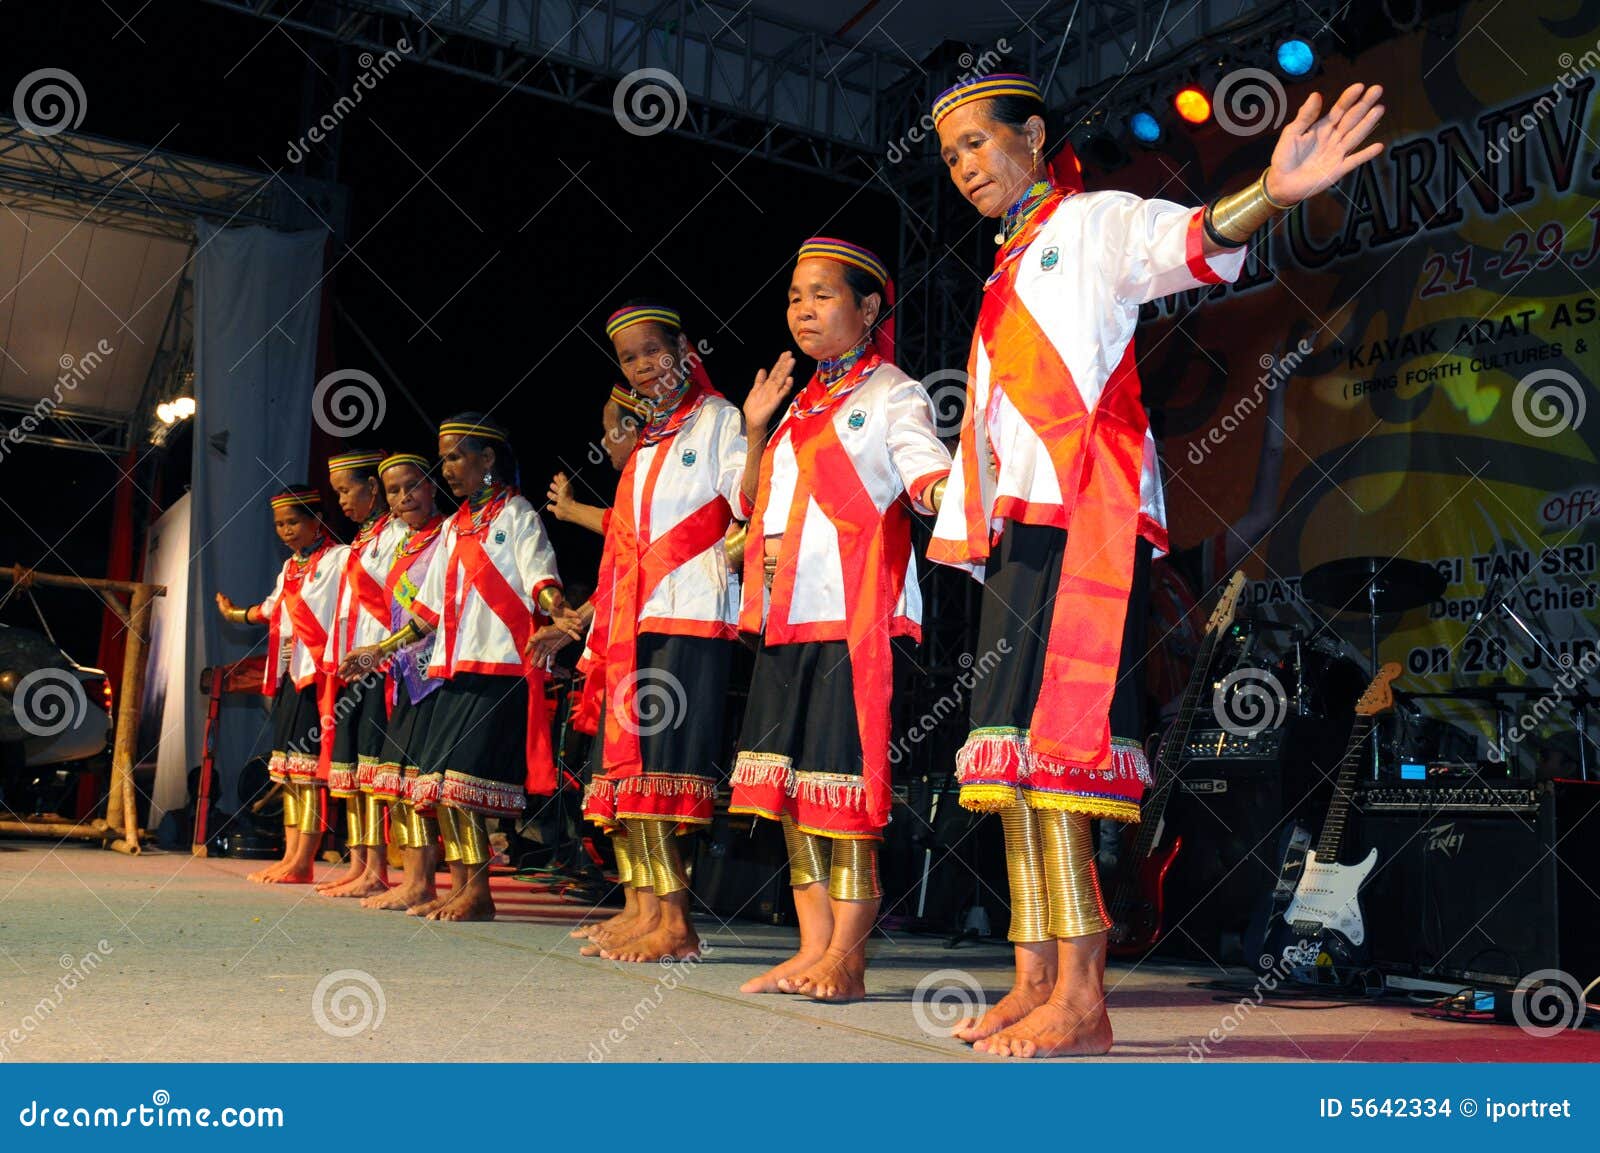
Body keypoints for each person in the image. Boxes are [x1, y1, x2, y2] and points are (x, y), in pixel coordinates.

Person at [926, 72, 1386, 1057]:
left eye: (977, 142)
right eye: (950, 154)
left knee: (1057, 761)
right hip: (1014, 532)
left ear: (1034, 135)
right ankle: (1030, 977)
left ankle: (1083, 1000)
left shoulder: (1091, 221)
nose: (964, 165)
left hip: (1077, 524)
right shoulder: (1001, 270)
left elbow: (1182, 243)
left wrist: (1271, 190)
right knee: (1005, 763)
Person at [731, 237, 950, 1001]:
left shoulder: (893, 392)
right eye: (795, 296)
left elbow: (924, 468)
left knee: (845, 796)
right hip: (788, 620)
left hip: (856, 619)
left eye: (822, 294)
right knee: (794, 793)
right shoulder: (799, 407)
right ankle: (812, 945)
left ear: (867, 309)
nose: (804, 309)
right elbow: (754, 505)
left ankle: (848, 960)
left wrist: (942, 495)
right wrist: (757, 428)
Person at [343, 414, 573, 922]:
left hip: (500, 664)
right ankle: (464, 885)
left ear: (487, 459)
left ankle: (480, 892)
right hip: (452, 666)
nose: (447, 468)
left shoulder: (516, 514)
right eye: (443, 458)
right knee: (444, 787)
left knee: (464, 782)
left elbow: (541, 576)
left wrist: (556, 609)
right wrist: (378, 652)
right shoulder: (452, 528)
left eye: (456, 456)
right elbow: (427, 613)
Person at [573, 302, 746, 963]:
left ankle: (676, 920)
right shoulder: (647, 443)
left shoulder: (720, 419)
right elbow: (622, 545)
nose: (643, 366)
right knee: (627, 774)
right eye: (628, 357)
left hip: (688, 617)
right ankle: (642, 907)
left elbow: (750, 500)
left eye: (653, 350)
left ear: (683, 348)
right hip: (631, 623)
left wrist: (722, 561)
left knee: (667, 769)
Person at [215, 485, 339, 884]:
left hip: (317, 675)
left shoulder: (337, 560)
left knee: (308, 773)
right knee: (288, 772)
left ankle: (305, 859)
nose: (285, 531)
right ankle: (290, 857)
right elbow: (271, 609)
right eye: (279, 525)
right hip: (289, 674)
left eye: (293, 522)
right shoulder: (289, 568)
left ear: (315, 520)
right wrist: (233, 613)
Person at [358, 453, 448, 912]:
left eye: (412, 486)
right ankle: (414, 880)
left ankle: (424, 882)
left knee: (427, 781)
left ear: (432, 486)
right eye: (393, 491)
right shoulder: (402, 545)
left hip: (438, 670)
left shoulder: (448, 535)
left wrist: (383, 648)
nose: (403, 497)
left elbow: (436, 611)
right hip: (405, 671)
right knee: (400, 779)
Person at [318, 449, 404, 899]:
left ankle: (378, 869)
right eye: (338, 494)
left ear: (373, 487)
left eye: (348, 490)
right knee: (351, 767)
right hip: (353, 666)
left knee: (373, 766)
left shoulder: (397, 535)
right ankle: (358, 864)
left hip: (382, 663)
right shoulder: (360, 540)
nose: (343, 501)